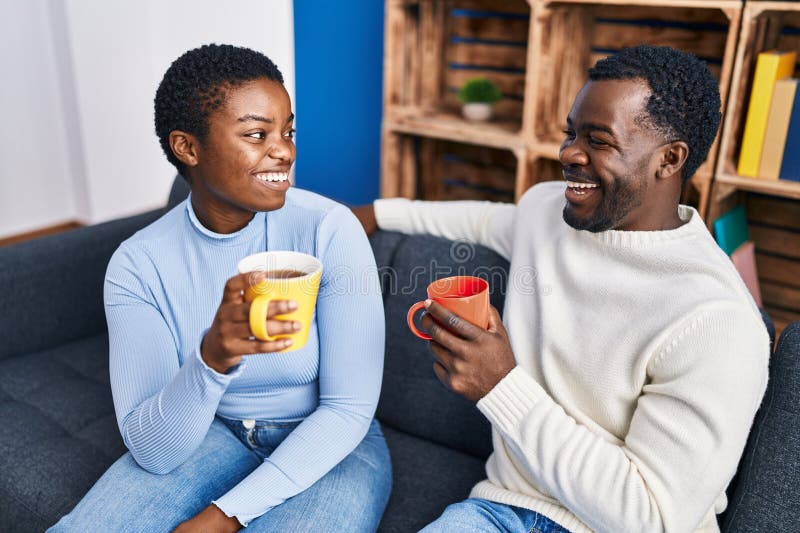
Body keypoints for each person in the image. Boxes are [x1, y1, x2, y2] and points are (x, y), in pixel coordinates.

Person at [354, 45, 769, 532]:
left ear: (669, 159)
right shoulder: (548, 213)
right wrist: (371, 215)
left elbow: (652, 517)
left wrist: (500, 386)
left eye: (598, 141)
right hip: (495, 512)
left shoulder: (717, 320)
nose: (569, 154)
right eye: (571, 134)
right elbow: (486, 220)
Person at [49, 44, 391, 532]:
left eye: (287, 131)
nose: (285, 151)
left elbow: (348, 410)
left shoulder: (330, 230)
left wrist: (227, 513)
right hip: (213, 434)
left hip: (332, 445)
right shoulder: (138, 265)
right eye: (257, 134)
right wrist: (211, 360)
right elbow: (153, 452)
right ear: (187, 147)